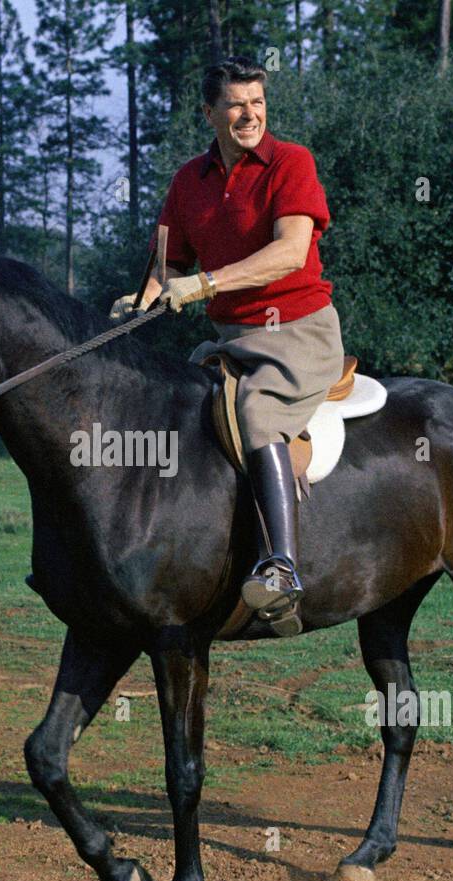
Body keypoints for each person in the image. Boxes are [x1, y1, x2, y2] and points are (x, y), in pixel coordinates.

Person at [112, 56, 345, 636]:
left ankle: (282, 570)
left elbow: (291, 252)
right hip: (230, 339)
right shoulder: (189, 180)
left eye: (258, 102)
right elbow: (170, 267)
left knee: (258, 415)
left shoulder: (292, 163)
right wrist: (140, 300)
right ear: (209, 113)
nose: (250, 114)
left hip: (299, 333)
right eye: (237, 104)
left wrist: (206, 285)